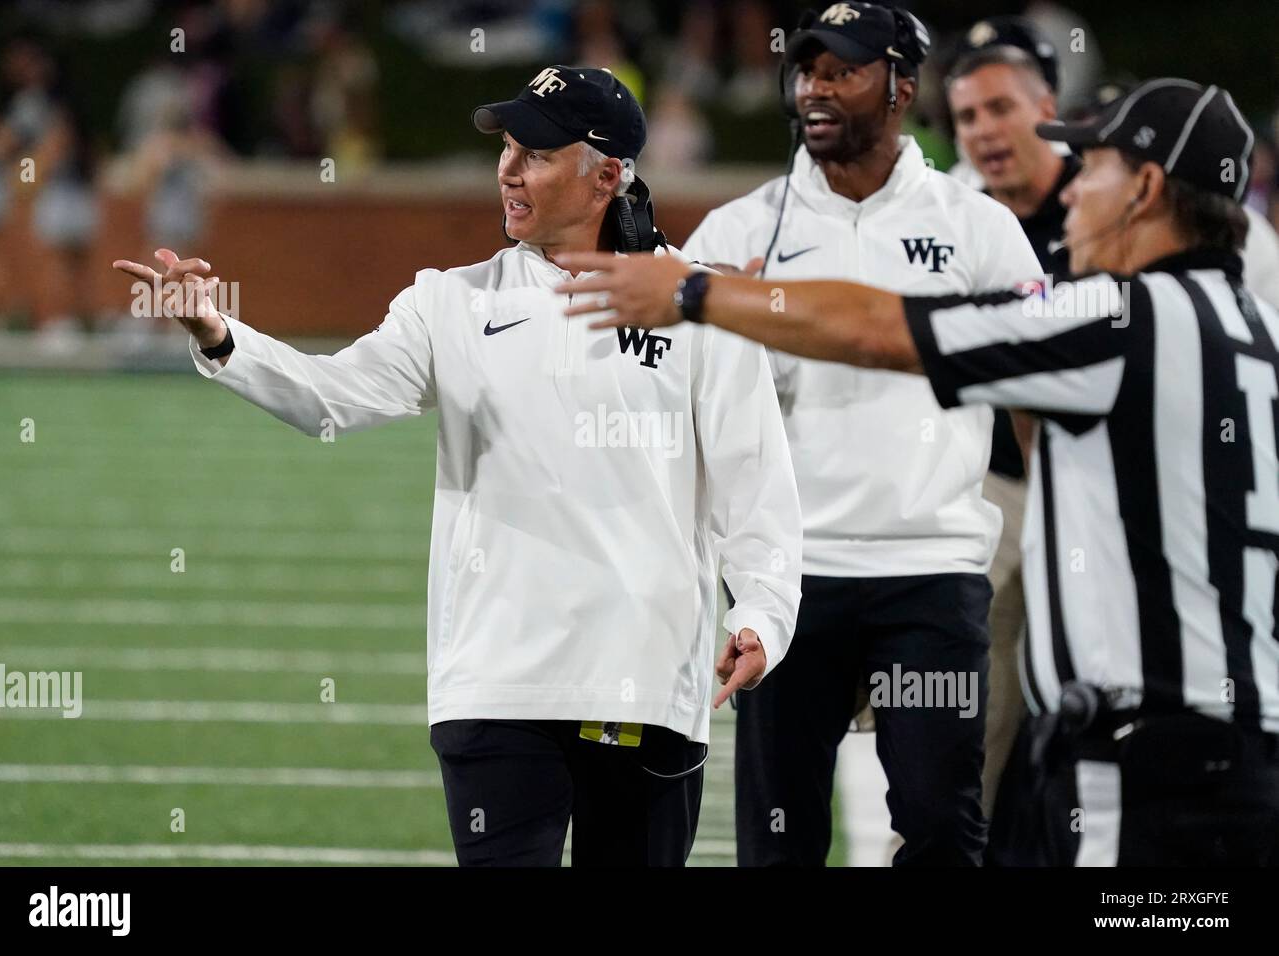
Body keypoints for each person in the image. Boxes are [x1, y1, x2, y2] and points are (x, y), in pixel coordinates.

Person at [557, 77, 1279, 865]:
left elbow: (887, 328)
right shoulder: (1262, 333)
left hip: (1149, 758)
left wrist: (701, 291)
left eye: (1093, 169)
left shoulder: (1116, 317)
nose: (1070, 195)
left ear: (1144, 188)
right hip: (1252, 743)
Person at [112, 66, 802, 867]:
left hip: (644, 679)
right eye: (507, 149)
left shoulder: (699, 305)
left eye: (537, 154)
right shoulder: (450, 303)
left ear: (608, 175)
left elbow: (756, 490)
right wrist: (217, 332)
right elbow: (331, 397)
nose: (508, 170)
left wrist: (761, 616)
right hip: (497, 683)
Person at [681, 2, 1042, 867]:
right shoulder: (735, 234)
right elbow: (679, 401)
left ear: (902, 87)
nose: (818, 87)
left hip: (933, 575)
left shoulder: (979, 228)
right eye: (808, 69)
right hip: (790, 579)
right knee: (779, 834)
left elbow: (1035, 388)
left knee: (941, 823)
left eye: (844, 69)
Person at [944, 17, 1079, 821]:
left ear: (1048, 107)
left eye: (1001, 108)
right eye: (966, 117)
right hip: (993, 486)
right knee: (978, 708)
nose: (985, 131)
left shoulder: (1112, 197)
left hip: (1095, 494)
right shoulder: (953, 219)